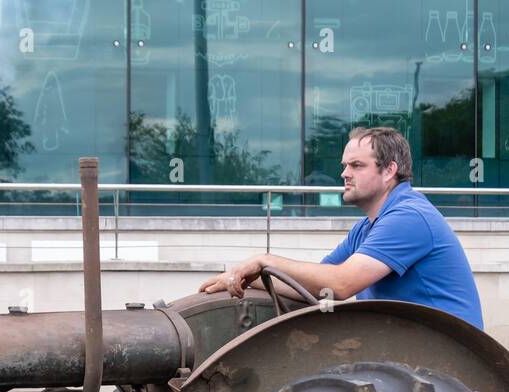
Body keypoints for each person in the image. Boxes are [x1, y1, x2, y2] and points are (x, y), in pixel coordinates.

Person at [198, 126, 484, 330]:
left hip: (444, 360)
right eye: (345, 165)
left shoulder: (409, 217)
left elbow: (341, 284)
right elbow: (314, 288)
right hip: (409, 350)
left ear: (389, 170)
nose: (344, 173)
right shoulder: (366, 228)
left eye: (357, 165)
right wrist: (241, 277)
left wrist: (265, 260)